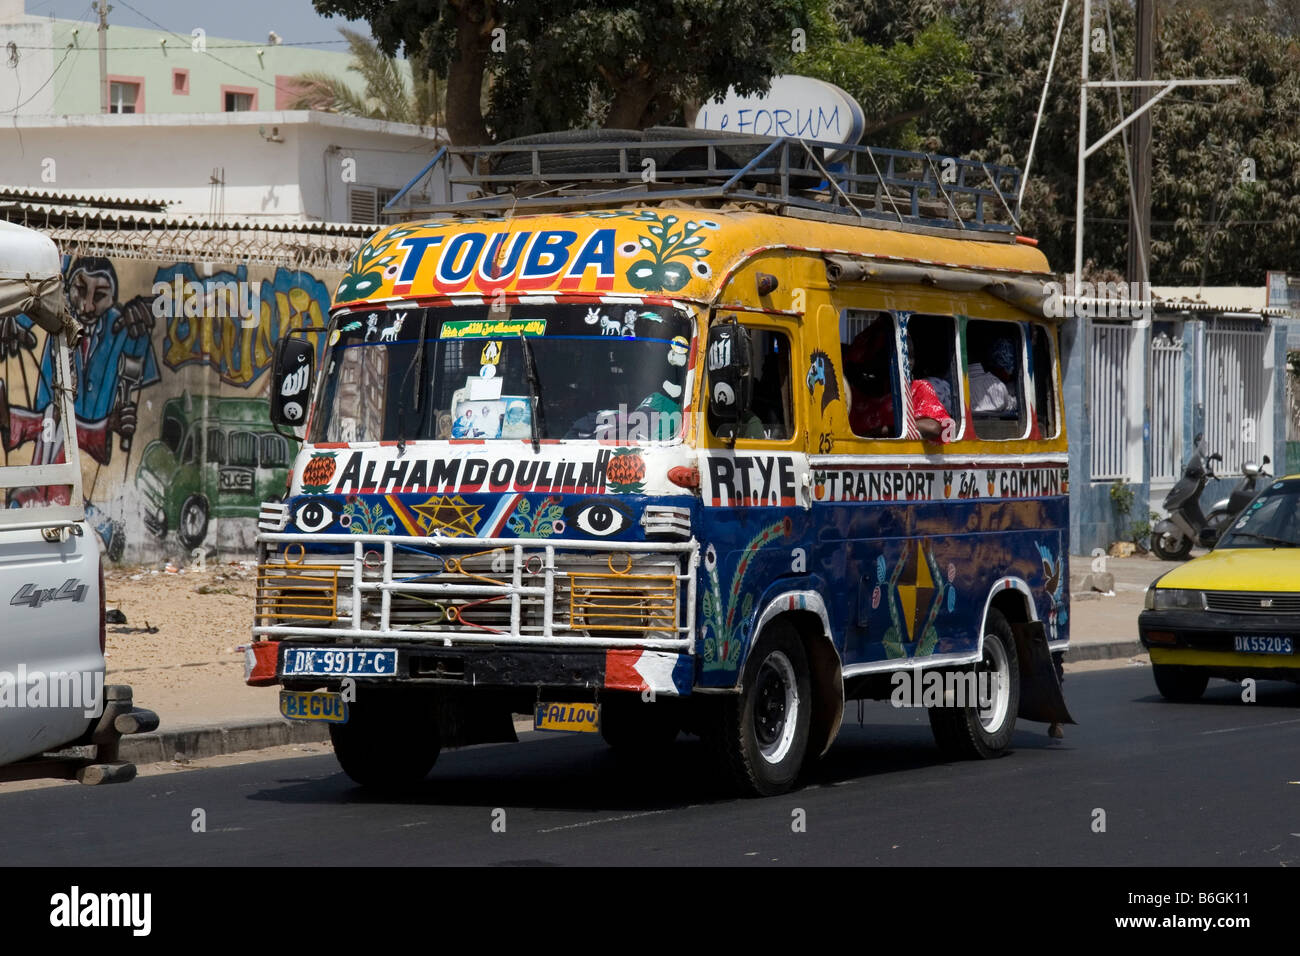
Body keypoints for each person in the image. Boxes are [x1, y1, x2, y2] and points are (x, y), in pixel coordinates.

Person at [845, 324, 954, 442]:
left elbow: (933, 427)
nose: (909, 362)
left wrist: (888, 430)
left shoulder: (917, 388)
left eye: (911, 356)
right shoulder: (853, 396)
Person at [969, 336, 1019, 414]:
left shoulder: (950, 385)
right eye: (1008, 370)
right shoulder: (998, 387)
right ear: (999, 368)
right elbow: (1011, 404)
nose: (1010, 374)